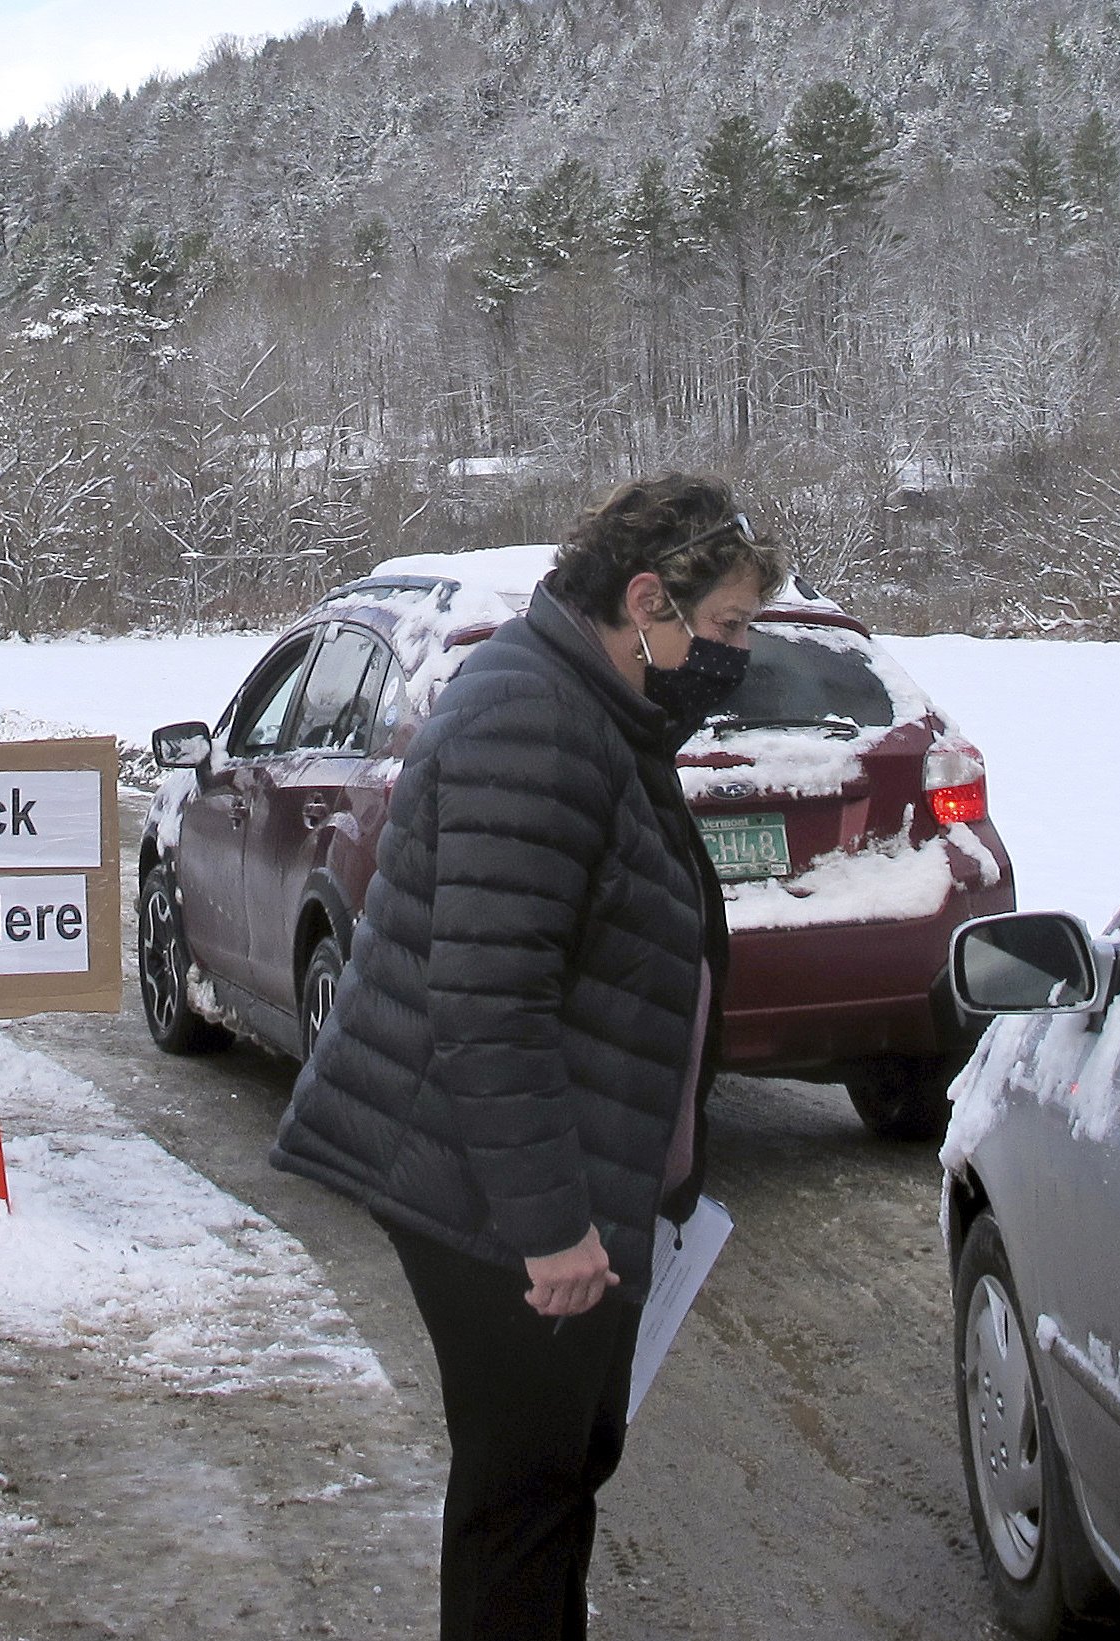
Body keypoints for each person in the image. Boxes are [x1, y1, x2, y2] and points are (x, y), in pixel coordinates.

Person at [270, 475, 785, 1638]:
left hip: (543, 1171)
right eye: (727, 630)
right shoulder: (533, 720)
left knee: (548, 1483)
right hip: (492, 1188)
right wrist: (551, 1227)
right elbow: (488, 999)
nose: (737, 657)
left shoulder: (595, 703)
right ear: (647, 598)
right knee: (524, 1501)